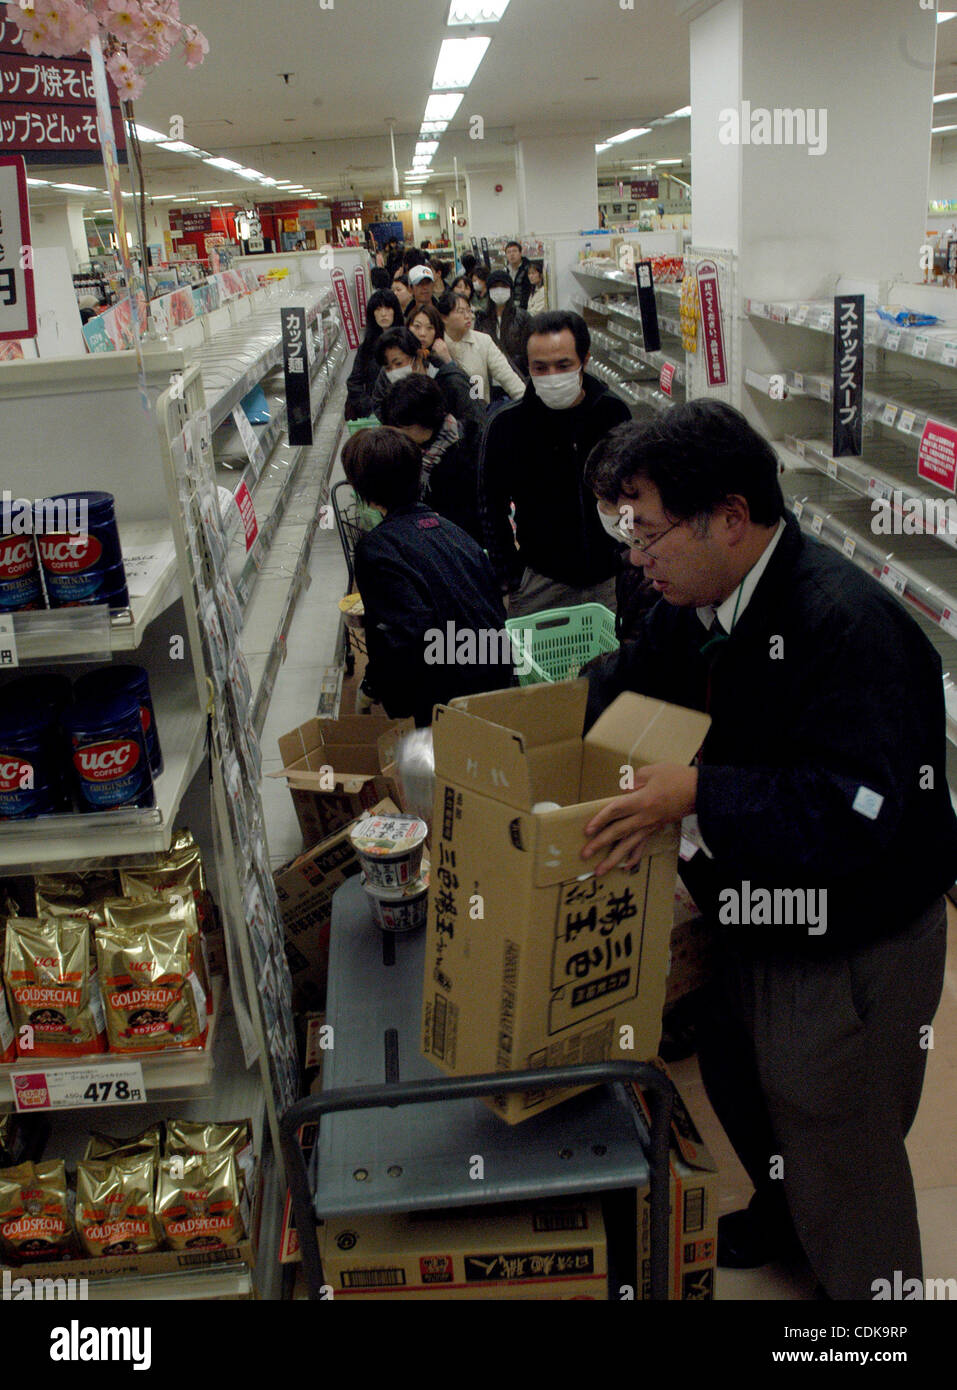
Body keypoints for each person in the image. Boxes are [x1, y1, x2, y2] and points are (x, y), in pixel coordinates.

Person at [579, 400, 957, 1301]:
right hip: (747, 902)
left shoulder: (845, 626)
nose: (635, 556)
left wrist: (701, 792)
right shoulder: (694, 597)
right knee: (739, 1075)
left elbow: (854, 808)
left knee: (835, 1129)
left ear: (732, 517)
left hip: (849, 928)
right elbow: (626, 678)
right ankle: (788, 1219)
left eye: (650, 531)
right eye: (624, 530)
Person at [342, 427, 515, 727]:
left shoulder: (376, 549)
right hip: (496, 674)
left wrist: (378, 686)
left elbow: (403, 634)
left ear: (365, 493)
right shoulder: (451, 530)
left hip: (446, 694)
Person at [478, 309, 631, 615]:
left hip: (610, 578)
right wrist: (511, 574)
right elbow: (489, 505)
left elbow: (633, 491)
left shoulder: (612, 414)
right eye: (540, 367)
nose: (552, 376)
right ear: (528, 368)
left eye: (563, 365)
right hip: (539, 581)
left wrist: (629, 554)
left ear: (584, 361)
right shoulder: (507, 426)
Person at [380, 374, 482, 540]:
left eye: (404, 427)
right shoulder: (415, 450)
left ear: (425, 419)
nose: (398, 434)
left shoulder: (465, 450)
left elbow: (465, 517)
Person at [370, 324, 479, 427]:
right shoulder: (387, 382)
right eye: (388, 368)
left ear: (418, 356)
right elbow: (379, 406)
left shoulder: (452, 380)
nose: (394, 371)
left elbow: (475, 422)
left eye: (398, 363)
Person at [436, 291, 524, 406]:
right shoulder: (436, 344)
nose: (468, 316)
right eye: (461, 312)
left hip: (480, 414)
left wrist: (527, 401)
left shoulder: (483, 341)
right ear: (444, 318)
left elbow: (508, 377)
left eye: (469, 310)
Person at [345, 289, 403, 420]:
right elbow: (354, 382)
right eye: (378, 309)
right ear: (372, 314)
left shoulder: (406, 342)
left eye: (388, 308)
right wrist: (370, 407)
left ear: (395, 311)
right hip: (374, 415)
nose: (383, 314)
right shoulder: (366, 348)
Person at [475, 269, 532, 379]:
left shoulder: (522, 317)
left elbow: (528, 350)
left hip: (516, 376)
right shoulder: (481, 318)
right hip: (490, 379)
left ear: (510, 290)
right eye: (495, 286)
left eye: (504, 286)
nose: (499, 290)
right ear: (488, 290)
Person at [504, 240, 532, 309]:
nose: (512, 254)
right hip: (510, 308)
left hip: (526, 308)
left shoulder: (528, 269)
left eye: (514, 251)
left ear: (520, 253)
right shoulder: (506, 271)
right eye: (509, 252)